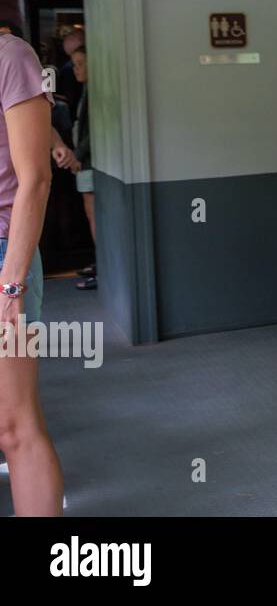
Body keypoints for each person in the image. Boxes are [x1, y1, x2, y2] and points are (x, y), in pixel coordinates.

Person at [0, 30, 63, 515]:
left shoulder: (11, 57)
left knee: (14, 427)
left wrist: (12, 284)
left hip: (3, 257)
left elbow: (36, 179)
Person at [52, 45, 95, 289]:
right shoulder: (85, 90)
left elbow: (94, 130)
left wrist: (77, 155)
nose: (75, 69)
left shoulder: (94, 92)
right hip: (85, 159)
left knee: (93, 215)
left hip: (87, 161)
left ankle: (101, 267)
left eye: (80, 63)